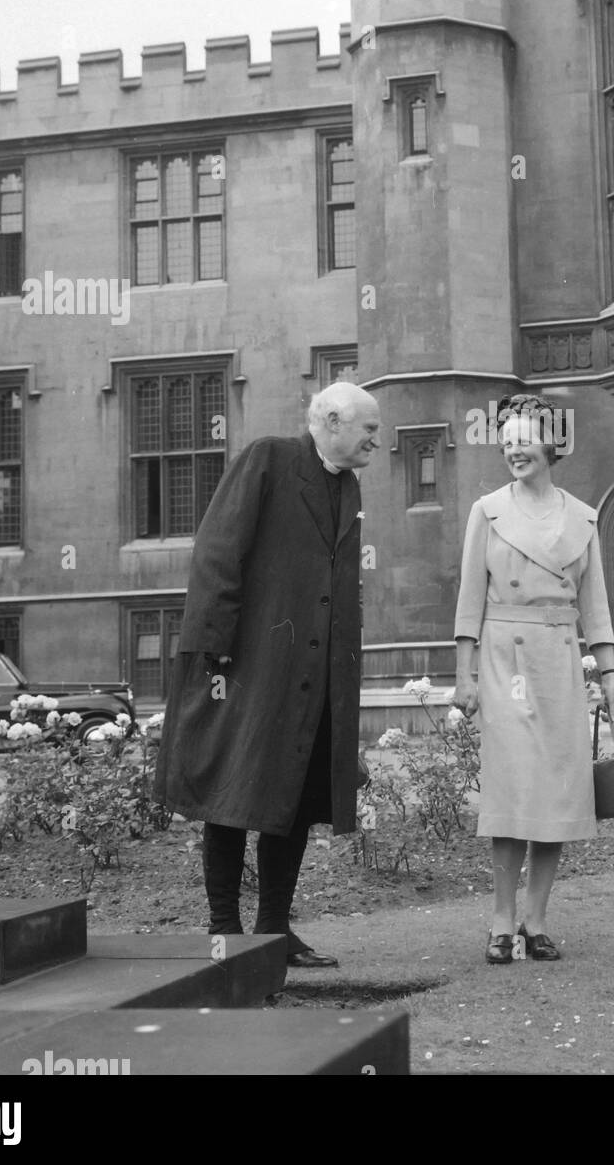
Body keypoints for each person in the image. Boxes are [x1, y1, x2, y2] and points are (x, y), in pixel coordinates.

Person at [156, 382, 381, 969]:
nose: (376, 442)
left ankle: (274, 932)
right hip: (247, 665)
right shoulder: (269, 458)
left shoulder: (347, 485)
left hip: (314, 672)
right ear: (331, 421)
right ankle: (225, 930)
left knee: (297, 798)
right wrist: (213, 647)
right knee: (232, 791)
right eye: (369, 430)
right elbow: (216, 550)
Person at [453, 395, 614, 966]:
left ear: (552, 445)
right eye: (506, 443)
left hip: (558, 658)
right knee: (514, 786)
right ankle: (501, 923)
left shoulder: (584, 517)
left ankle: (537, 921)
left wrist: (610, 668)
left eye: (523, 440)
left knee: (555, 788)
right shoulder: (488, 510)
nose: (513, 450)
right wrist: (464, 672)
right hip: (505, 657)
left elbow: (594, 600)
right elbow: (470, 594)